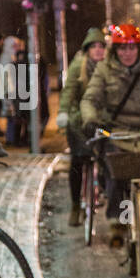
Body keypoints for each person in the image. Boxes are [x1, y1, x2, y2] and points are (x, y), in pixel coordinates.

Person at [80, 22, 140, 248]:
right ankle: (118, 221)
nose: (127, 53)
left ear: (139, 48)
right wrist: (90, 119)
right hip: (116, 128)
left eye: (131, 48)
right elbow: (90, 99)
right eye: (122, 48)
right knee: (116, 172)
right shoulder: (104, 69)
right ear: (114, 50)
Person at [58, 28, 107, 223]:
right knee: (77, 161)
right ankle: (76, 206)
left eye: (101, 46)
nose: (98, 50)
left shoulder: (110, 66)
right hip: (79, 120)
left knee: (109, 156)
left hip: (102, 120)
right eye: (94, 46)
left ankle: (103, 188)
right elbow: (68, 91)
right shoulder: (78, 65)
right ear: (87, 49)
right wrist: (63, 112)